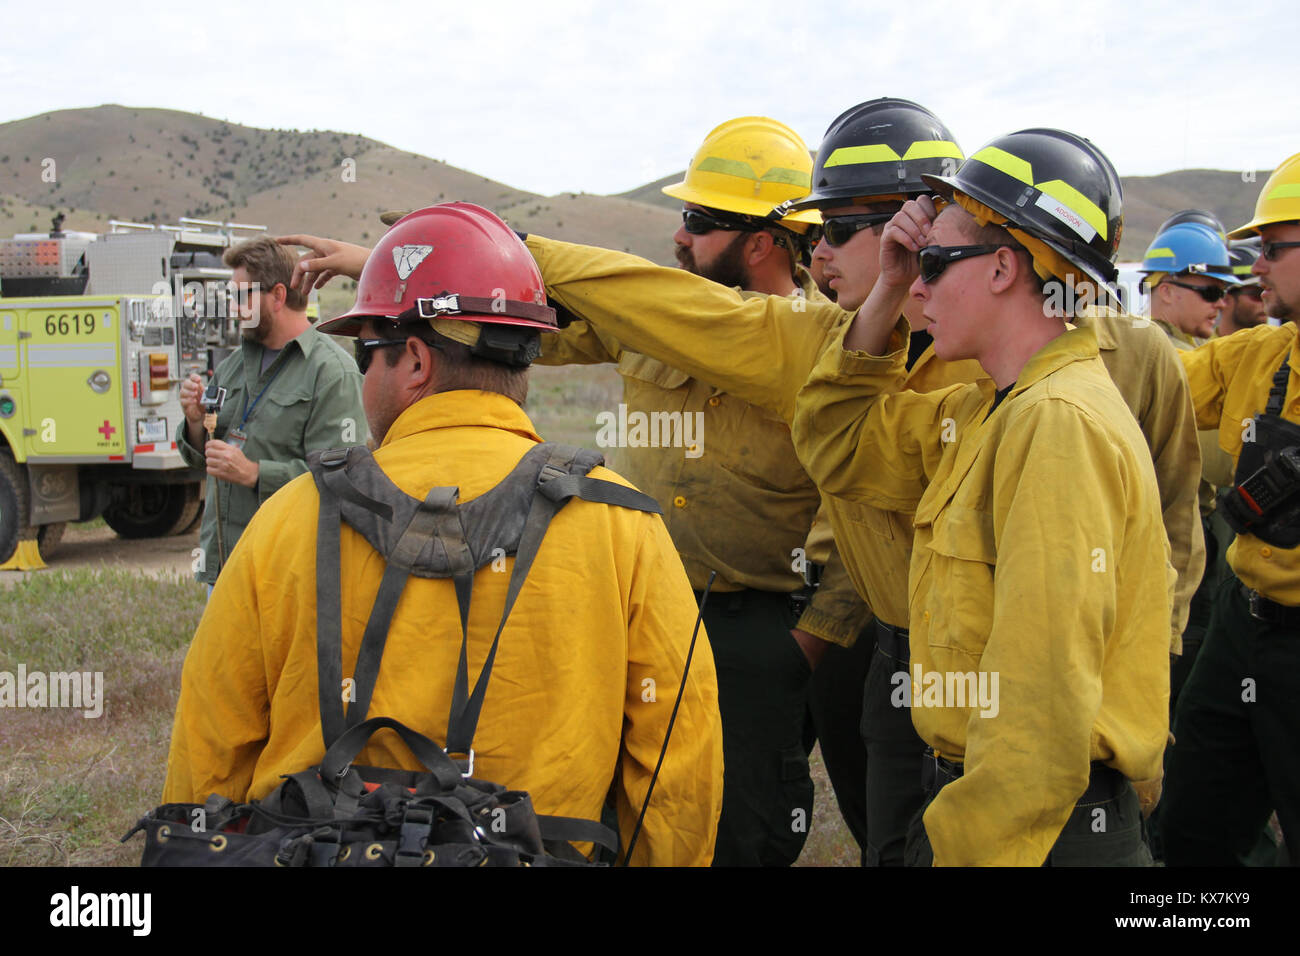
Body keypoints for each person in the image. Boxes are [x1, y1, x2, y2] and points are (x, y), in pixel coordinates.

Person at [163, 204, 724, 866]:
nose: (363, 374)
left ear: (416, 363)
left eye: (366, 351)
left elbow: (211, 748)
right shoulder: (623, 523)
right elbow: (677, 762)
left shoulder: (288, 517)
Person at [791, 129, 1171, 866]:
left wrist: (964, 850)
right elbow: (837, 443)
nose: (918, 287)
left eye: (933, 262)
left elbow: (1039, 710)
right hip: (999, 813)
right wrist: (887, 288)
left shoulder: (1056, 425)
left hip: (1033, 832)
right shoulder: (987, 411)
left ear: (1002, 268)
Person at [1161, 152, 1300, 866]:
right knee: (1191, 826)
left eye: (1274, 248)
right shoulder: (1260, 355)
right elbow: (1157, 378)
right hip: (1244, 629)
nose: (1258, 269)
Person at [177, 236, 368, 585]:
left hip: (286, 575)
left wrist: (255, 474)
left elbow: (344, 479)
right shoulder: (232, 366)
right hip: (224, 566)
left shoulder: (331, 373)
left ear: (278, 296)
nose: (233, 307)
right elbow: (204, 458)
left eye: (240, 296)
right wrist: (193, 421)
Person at [1138, 220, 1240, 347]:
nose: (1221, 304)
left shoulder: (1141, 341)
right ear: (1167, 292)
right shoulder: (1159, 352)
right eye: (1211, 293)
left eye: (1222, 293)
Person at [1217, 238, 1269, 336]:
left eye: (1267, 291)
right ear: (1225, 299)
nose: (1264, 299)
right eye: (1256, 295)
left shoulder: (1282, 349)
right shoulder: (1199, 349)